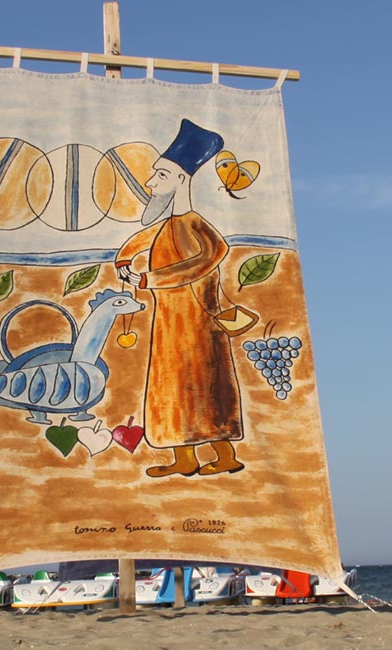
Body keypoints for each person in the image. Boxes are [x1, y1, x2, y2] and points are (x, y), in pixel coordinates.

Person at [114, 119, 247, 478]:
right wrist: (124, 258)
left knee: (203, 386)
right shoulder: (170, 223)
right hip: (170, 325)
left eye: (159, 176)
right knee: (171, 388)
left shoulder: (195, 225)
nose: (150, 183)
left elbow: (199, 264)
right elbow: (144, 237)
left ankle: (225, 455)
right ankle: (185, 459)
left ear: (180, 181)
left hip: (198, 325)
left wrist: (147, 278)